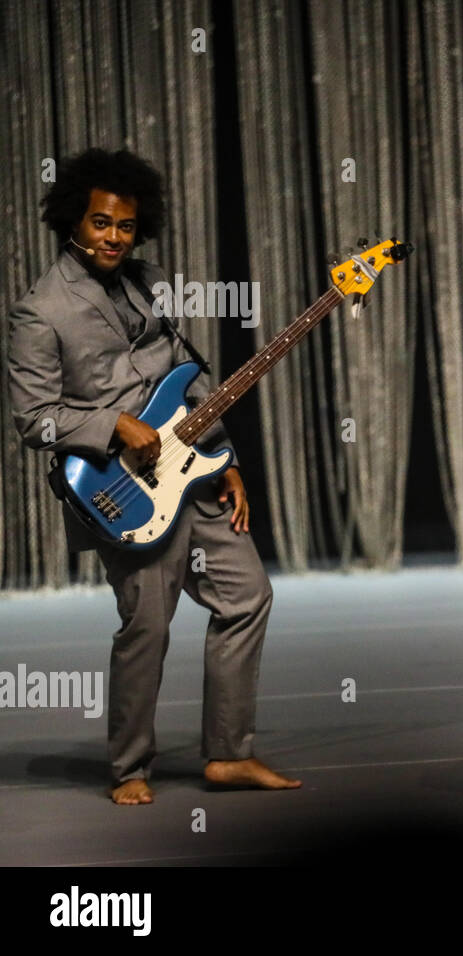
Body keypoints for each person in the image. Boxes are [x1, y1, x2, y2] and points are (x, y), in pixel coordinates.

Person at [7, 148, 301, 803]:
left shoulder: (146, 281)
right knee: (148, 626)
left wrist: (227, 461)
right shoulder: (41, 310)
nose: (114, 236)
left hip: (192, 475)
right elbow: (35, 420)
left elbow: (188, 381)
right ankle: (130, 768)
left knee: (247, 595)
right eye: (101, 223)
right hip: (119, 490)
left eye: (125, 225)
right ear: (71, 221)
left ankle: (228, 755)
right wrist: (112, 423)